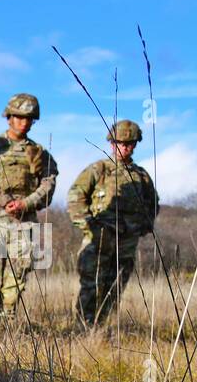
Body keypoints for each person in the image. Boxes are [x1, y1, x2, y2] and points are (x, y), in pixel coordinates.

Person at [0, 93, 58, 319]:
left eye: (29, 118)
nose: (24, 122)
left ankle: (3, 324)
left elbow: (48, 184)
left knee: (17, 276)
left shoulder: (40, 153)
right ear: (9, 117)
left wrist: (25, 203)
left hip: (24, 221)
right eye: (19, 117)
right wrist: (5, 201)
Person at [66, 119, 159, 327]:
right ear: (111, 143)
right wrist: (88, 225)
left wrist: (143, 226)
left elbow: (153, 203)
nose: (124, 147)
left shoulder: (141, 176)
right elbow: (75, 196)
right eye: (119, 143)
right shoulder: (99, 169)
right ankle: (83, 327)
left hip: (127, 242)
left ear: (135, 145)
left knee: (116, 286)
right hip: (99, 238)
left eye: (129, 143)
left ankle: (101, 328)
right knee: (92, 282)